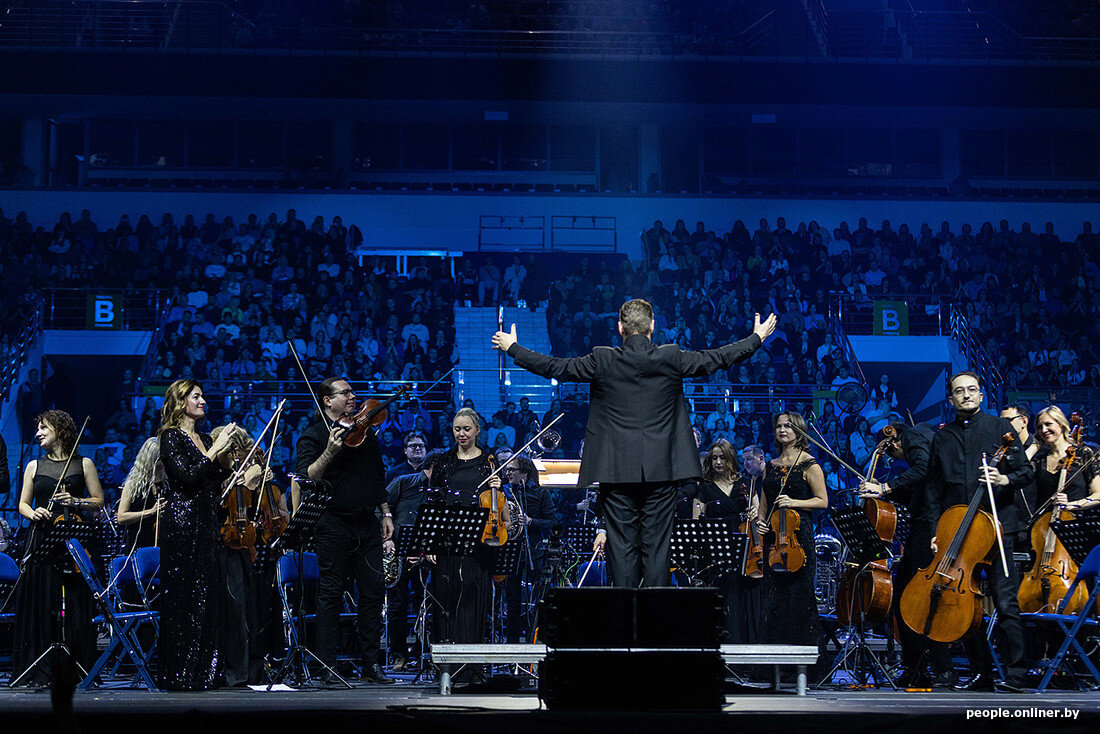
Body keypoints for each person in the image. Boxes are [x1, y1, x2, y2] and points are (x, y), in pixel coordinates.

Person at [493, 298, 775, 588]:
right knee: (657, 553)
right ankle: (654, 627)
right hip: (661, 474)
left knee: (622, 553)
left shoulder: (602, 359)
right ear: (652, 326)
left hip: (616, 474)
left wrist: (513, 348)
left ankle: (625, 627)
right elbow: (718, 358)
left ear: (620, 328)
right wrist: (756, 338)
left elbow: (556, 367)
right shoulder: (671, 356)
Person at [926, 371, 1033, 692]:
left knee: (1005, 601)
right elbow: (933, 491)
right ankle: (981, 671)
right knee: (965, 604)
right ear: (951, 399)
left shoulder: (1001, 429)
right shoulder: (942, 437)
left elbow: (1025, 471)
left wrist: (1005, 480)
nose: (966, 395)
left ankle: (1016, 673)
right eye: (959, 391)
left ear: (982, 395)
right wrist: (935, 532)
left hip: (999, 528)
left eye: (972, 389)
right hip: (959, 532)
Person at [295, 377, 395, 685]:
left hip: (365, 522)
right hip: (331, 523)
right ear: (327, 401)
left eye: (353, 391)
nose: (354, 396)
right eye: (346, 392)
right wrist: (329, 451)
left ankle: (371, 663)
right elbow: (306, 477)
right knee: (331, 594)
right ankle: (327, 664)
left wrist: (385, 512)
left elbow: (377, 476)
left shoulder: (366, 434)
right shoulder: (312, 436)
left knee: (374, 591)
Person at [13, 410, 105, 686]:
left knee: (76, 602)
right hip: (42, 538)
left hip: (74, 539)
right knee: (42, 601)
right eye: (38, 428)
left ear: (60, 430)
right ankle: (40, 669)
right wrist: (34, 513)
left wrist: (76, 501)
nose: (38, 432)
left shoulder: (83, 463)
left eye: (43, 428)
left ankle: (76, 667)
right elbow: (22, 505)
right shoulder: (33, 466)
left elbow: (98, 501)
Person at [859, 422, 954, 687]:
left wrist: (885, 488)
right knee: (913, 598)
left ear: (894, 441)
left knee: (912, 598)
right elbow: (918, 489)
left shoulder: (913, 435)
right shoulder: (924, 439)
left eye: (891, 454)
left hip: (929, 527)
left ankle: (930, 667)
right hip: (928, 523)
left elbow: (921, 470)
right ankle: (921, 667)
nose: (893, 458)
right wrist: (882, 488)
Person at [158, 380, 238, 690]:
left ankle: (206, 672)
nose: (203, 401)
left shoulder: (204, 437)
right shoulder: (170, 437)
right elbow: (188, 477)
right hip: (182, 527)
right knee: (186, 599)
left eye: (202, 395)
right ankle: (181, 673)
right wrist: (215, 450)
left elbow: (212, 481)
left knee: (208, 598)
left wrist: (228, 460)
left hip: (206, 525)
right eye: (196, 396)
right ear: (181, 402)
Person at [425, 408, 508, 648]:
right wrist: (430, 541)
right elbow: (433, 502)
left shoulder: (489, 461)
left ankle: (471, 666)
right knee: (445, 600)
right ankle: (447, 667)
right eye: (457, 429)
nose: (461, 434)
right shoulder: (442, 462)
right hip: (447, 540)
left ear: (478, 430)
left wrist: (498, 487)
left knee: (473, 599)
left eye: (467, 429)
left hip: (479, 542)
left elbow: (498, 506)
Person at [755, 412, 828, 666]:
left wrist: (794, 502)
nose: (782, 430)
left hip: (799, 537)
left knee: (799, 597)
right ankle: (773, 665)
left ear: (799, 430)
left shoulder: (810, 464)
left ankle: (804, 665)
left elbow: (822, 500)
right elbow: (765, 501)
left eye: (787, 426)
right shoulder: (771, 466)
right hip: (774, 538)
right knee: (774, 598)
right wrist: (761, 523)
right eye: (778, 426)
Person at [689, 440, 762, 644]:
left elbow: (757, 511)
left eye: (722, 457)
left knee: (743, 594)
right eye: (714, 458)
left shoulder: (744, 484)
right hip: (716, 545)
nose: (718, 462)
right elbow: (696, 520)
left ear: (730, 458)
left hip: (743, 546)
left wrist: (755, 512)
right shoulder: (704, 488)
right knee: (724, 594)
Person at [384, 448, 446, 671]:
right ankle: (398, 655)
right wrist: (387, 539)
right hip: (398, 552)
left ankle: (422, 653)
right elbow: (382, 508)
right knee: (397, 606)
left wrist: (425, 552)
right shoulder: (404, 481)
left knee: (427, 605)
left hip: (426, 557)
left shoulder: (442, 491)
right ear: (432, 467)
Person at [501, 452, 556, 644]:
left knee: (539, 598)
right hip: (511, 550)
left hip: (535, 551)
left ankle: (538, 639)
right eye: (506, 469)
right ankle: (512, 643)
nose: (508, 473)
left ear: (524, 472)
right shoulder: (505, 492)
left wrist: (531, 521)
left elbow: (552, 522)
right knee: (512, 600)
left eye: (512, 470)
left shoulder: (541, 492)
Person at [117, 437, 168, 549]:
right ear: (148, 459)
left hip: (165, 539)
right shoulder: (132, 484)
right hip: (139, 539)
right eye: (157, 458)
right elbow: (121, 517)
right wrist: (151, 512)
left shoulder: (169, 483)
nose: (161, 462)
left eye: (163, 458)